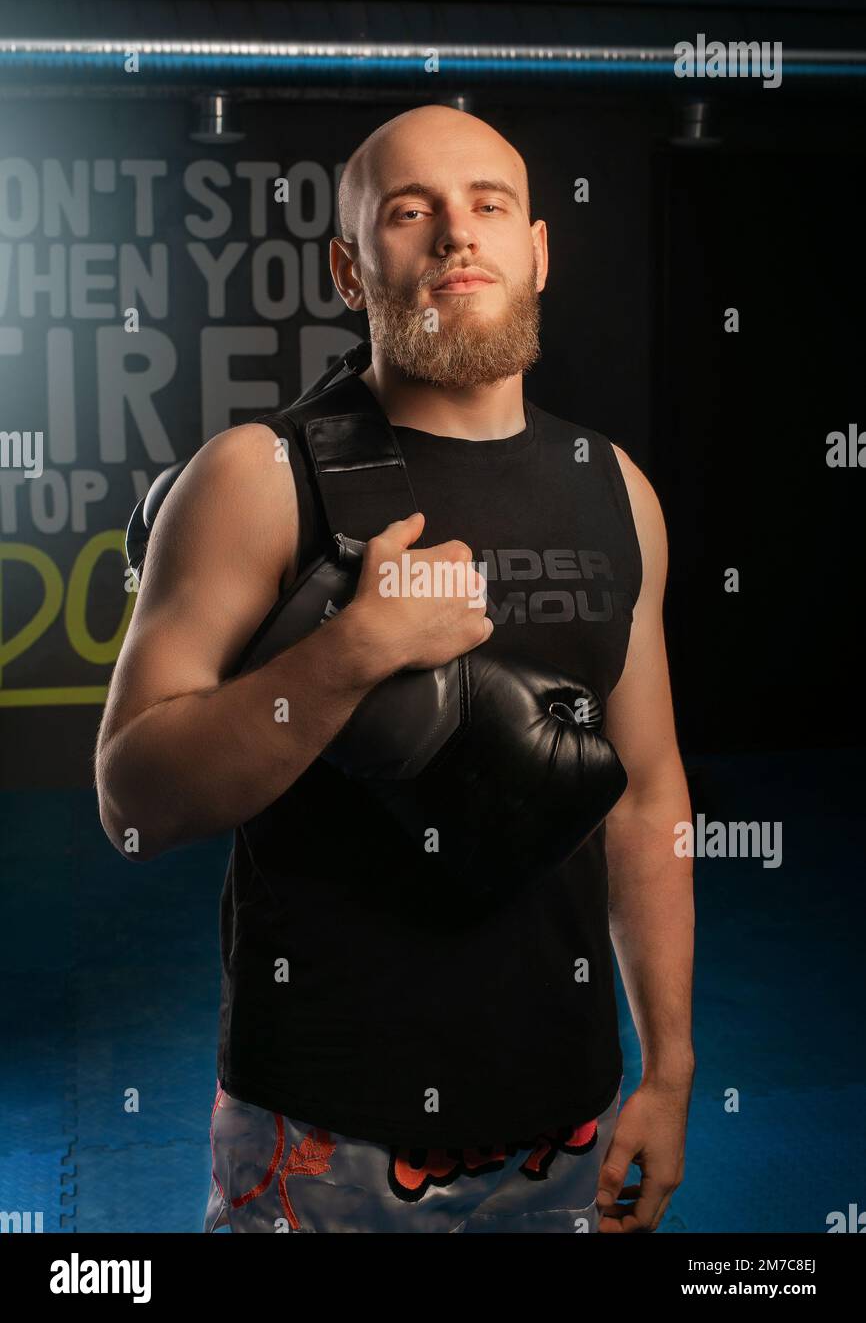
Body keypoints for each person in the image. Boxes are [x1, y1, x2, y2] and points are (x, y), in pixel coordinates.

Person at [96, 104, 695, 1234]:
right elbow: (131, 796)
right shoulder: (258, 477)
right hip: (327, 1134)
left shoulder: (615, 488)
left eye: (488, 207)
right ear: (349, 266)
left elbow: (649, 797)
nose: (454, 237)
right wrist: (351, 652)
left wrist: (667, 1067)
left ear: (537, 250)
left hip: (564, 1117)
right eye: (408, 212)